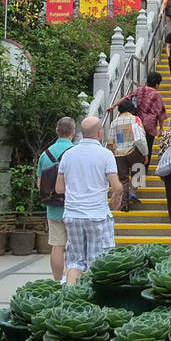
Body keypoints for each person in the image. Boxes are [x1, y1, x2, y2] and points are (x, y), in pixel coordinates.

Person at [54, 116, 122, 284]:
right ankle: (94, 302)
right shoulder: (106, 155)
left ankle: (70, 298)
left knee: (74, 262)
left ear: (81, 133)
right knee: (98, 262)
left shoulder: (68, 155)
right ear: (100, 133)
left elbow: (59, 189)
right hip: (96, 216)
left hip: (72, 215)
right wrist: (116, 196)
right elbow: (117, 186)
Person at [36, 116, 77, 281]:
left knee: (57, 246)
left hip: (53, 207)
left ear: (56, 131)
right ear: (73, 132)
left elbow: (40, 184)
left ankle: (58, 280)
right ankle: (72, 281)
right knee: (76, 248)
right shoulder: (75, 152)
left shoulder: (45, 155)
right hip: (73, 206)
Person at [108, 101, 147, 211]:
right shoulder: (136, 120)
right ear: (132, 109)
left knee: (123, 179)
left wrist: (115, 153)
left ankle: (124, 204)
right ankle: (133, 191)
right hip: (134, 151)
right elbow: (141, 138)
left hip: (119, 154)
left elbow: (110, 142)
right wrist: (145, 153)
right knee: (138, 171)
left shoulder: (114, 123)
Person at [119, 72, 166, 159]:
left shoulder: (139, 90)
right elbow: (161, 112)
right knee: (147, 148)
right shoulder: (157, 95)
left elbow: (126, 98)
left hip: (137, 123)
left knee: (135, 147)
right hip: (149, 126)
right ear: (157, 84)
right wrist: (161, 127)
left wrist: (113, 106)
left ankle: (136, 168)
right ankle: (144, 168)